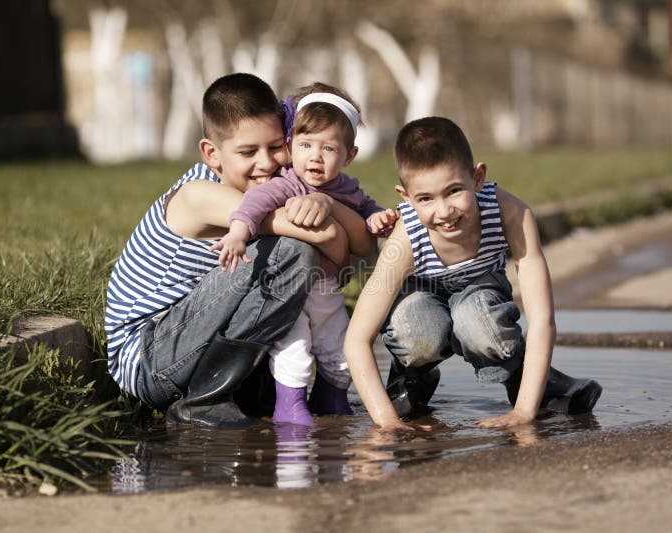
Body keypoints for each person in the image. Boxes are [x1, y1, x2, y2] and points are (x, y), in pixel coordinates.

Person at [105, 73, 364, 428]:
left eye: (276, 147)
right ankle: (202, 403)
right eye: (248, 152)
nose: (267, 163)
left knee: (290, 256)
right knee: (289, 252)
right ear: (212, 153)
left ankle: (244, 390)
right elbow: (328, 238)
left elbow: (354, 251)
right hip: (149, 359)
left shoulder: (269, 185)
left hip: (191, 343)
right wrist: (327, 212)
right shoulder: (199, 196)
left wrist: (323, 201)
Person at [343, 116, 602, 430]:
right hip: (421, 300)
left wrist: (523, 412)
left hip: (481, 292)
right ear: (406, 197)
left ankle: (533, 382)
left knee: (477, 323)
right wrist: (387, 422)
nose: (444, 211)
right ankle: (410, 381)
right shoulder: (406, 238)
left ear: (477, 178)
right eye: (425, 198)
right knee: (415, 334)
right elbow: (357, 338)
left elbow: (542, 319)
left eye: (453, 191)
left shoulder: (510, 213)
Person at [212, 82, 399, 426]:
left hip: (325, 289)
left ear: (349, 155)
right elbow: (254, 203)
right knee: (294, 349)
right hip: (286, 290)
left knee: (340, 348)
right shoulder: (287, 183)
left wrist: (376, 217)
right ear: (290, 145)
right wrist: (238, 233)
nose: (315, 156)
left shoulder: (347, 188)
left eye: (328, 148)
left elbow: (364, 210)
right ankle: (290, 407)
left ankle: (331, 399)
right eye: (306, 145)